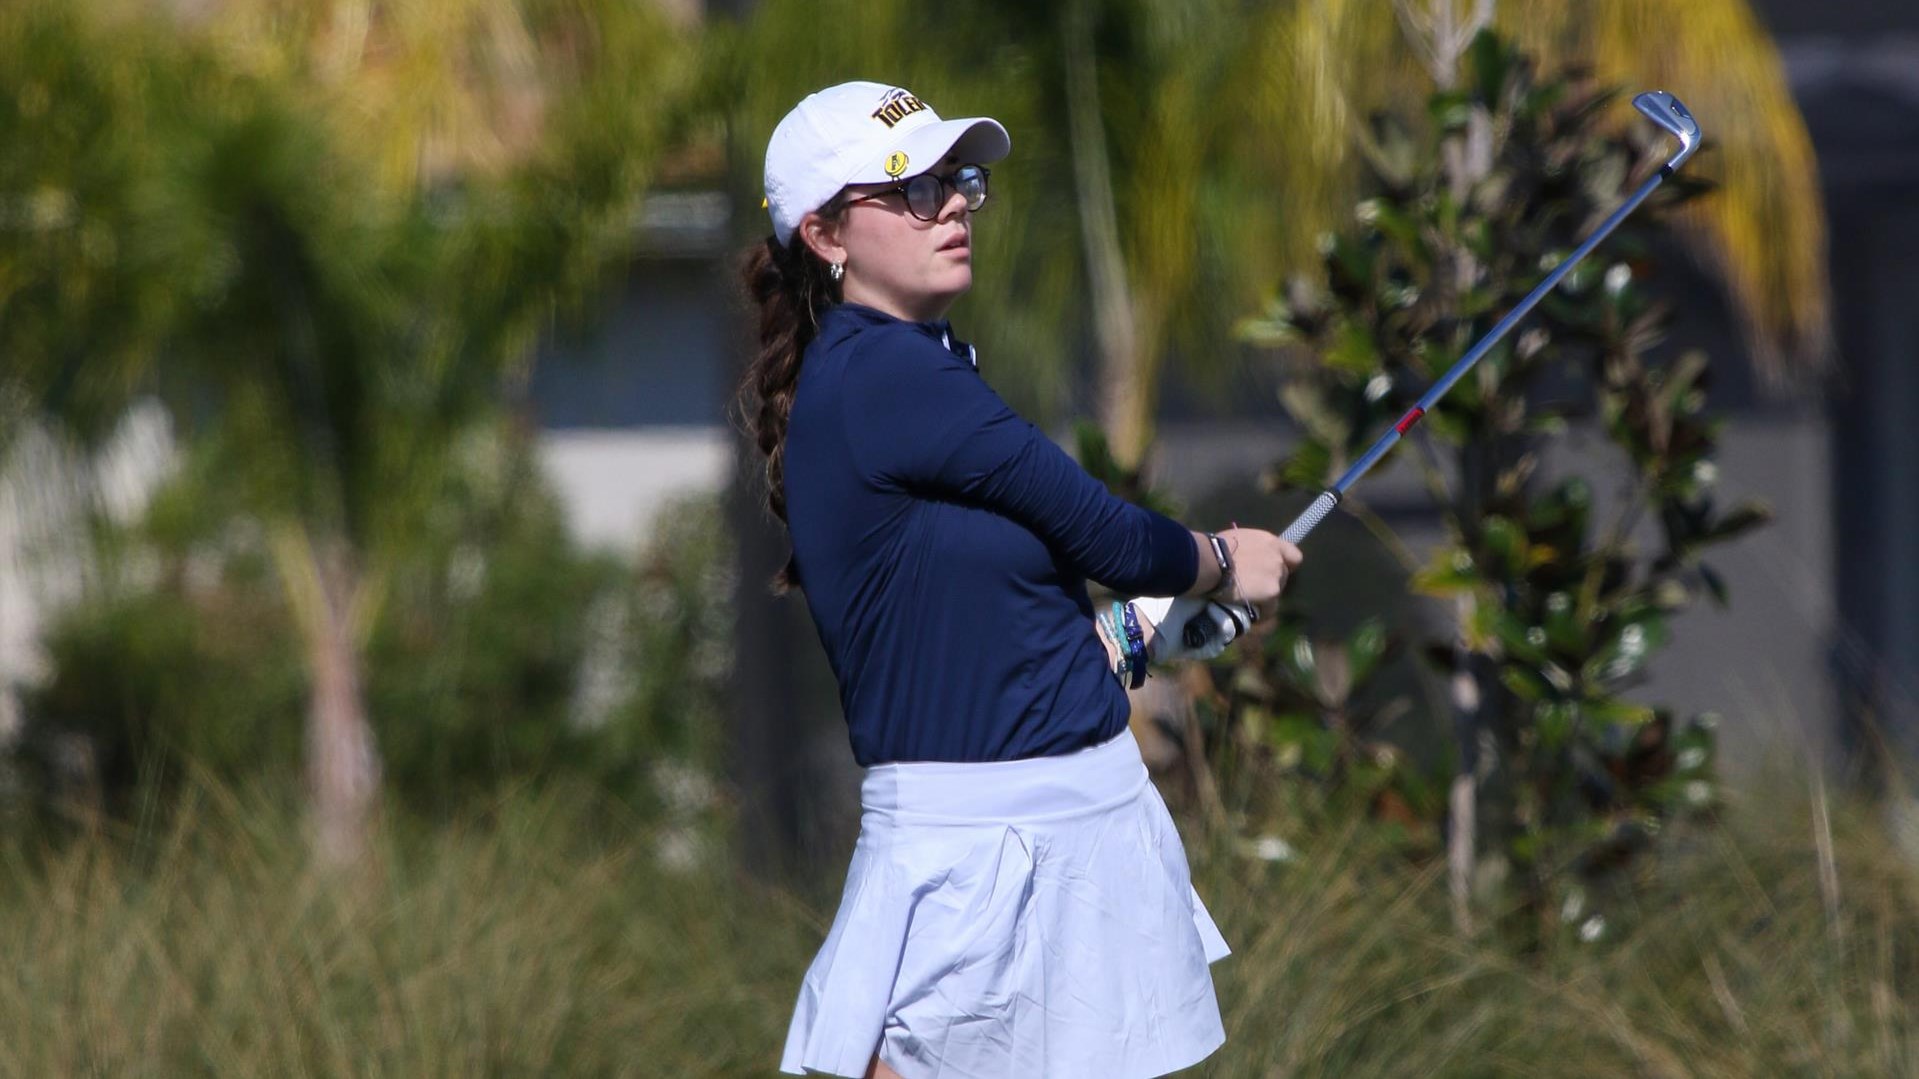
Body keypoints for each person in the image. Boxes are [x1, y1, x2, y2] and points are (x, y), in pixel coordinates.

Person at [737, 81, 1303, 1079]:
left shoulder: (918, 365)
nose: (951, 202)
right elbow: (1109, 535)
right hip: (975, 864)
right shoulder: (885, 375)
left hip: (1071, 830)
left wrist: (1140, 634)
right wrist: (1220, 559)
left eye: (956, 180)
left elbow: (992, 629)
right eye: (911, 188)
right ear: (826, 232)